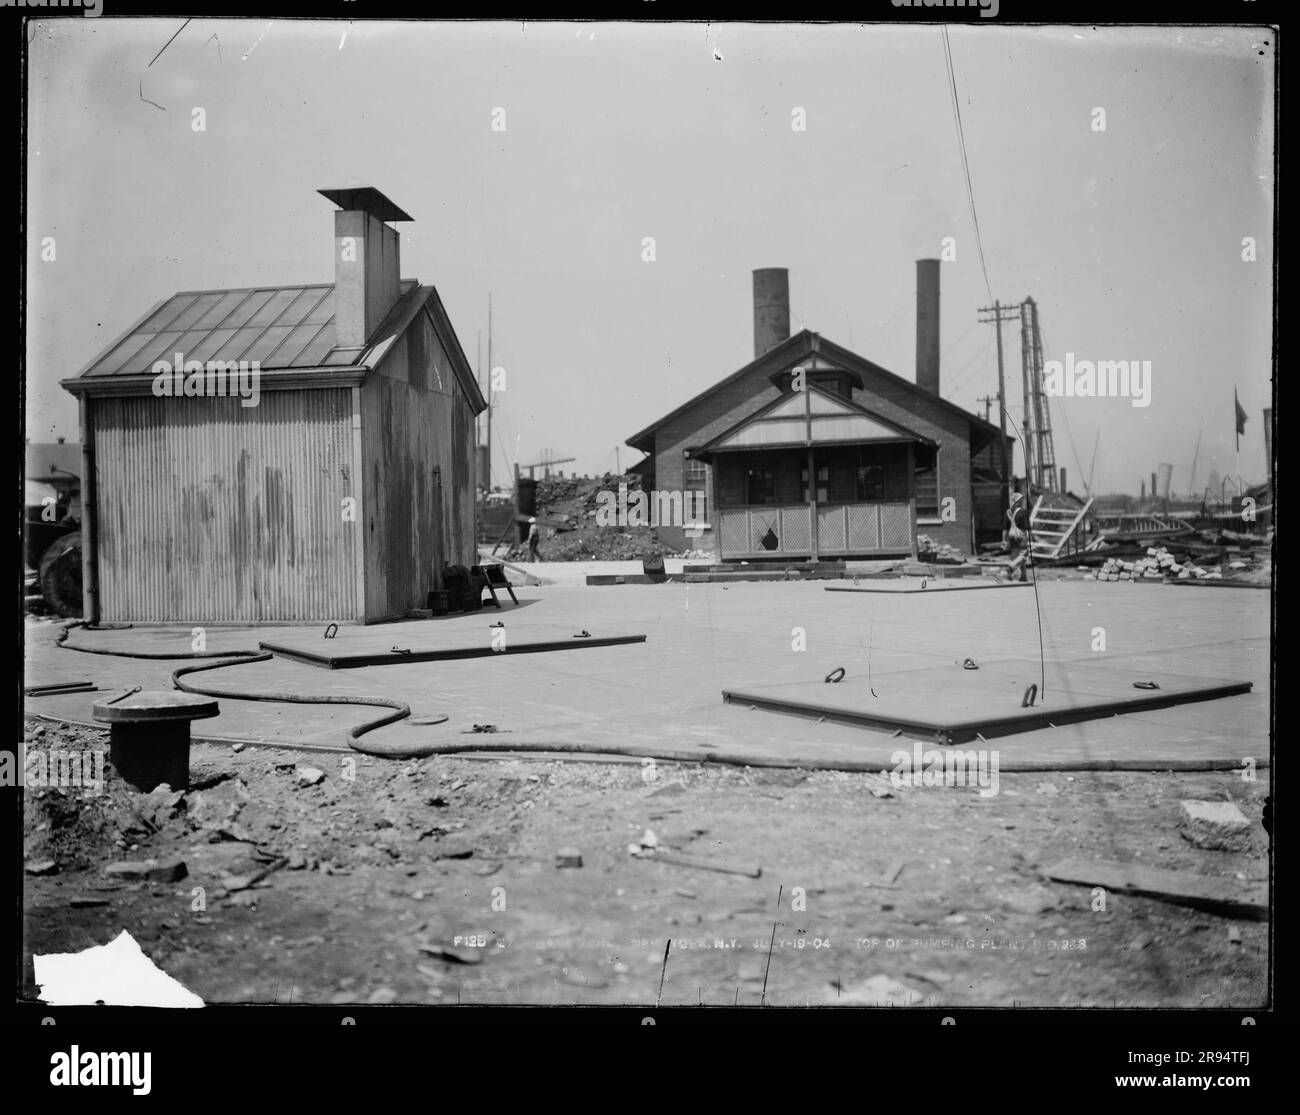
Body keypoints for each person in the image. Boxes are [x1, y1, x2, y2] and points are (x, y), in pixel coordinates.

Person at [1005, 490, 1031, 583]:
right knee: (1024, 555)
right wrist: (1030, 536)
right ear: (1018, 501)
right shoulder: (1023, 512)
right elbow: (1027, 526)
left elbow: (1005, 527)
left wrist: (1005, 540)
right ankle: (1010, 568)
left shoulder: (1009, 511)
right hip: (1020, 537)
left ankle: (1023, 577)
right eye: (1022, 499)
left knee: (1017, 555)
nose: (1023, 501)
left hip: (1011, 536)